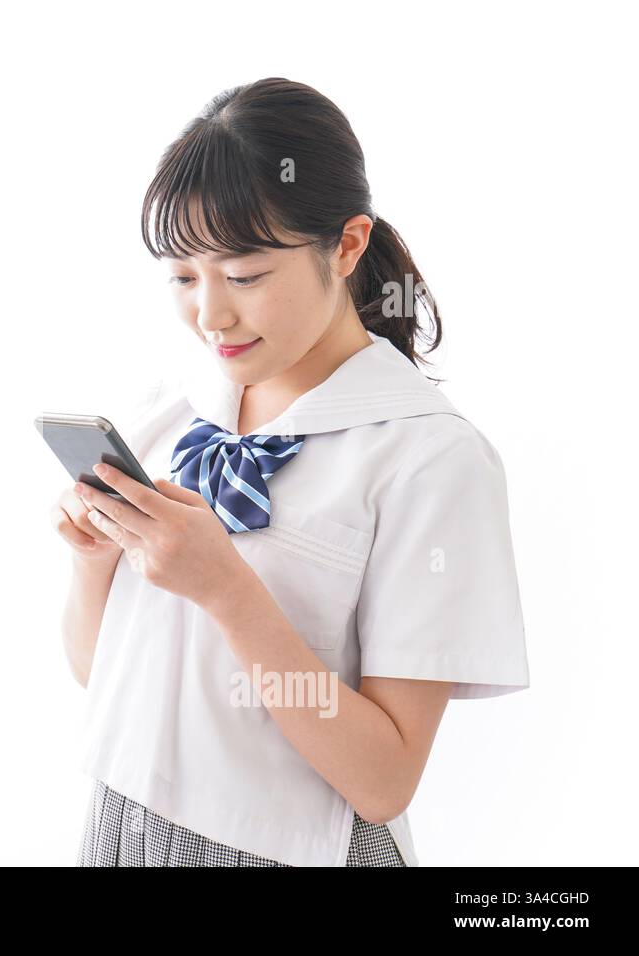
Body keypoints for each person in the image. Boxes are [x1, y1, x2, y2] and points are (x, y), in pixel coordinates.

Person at [52, 78, 530, 867]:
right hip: (123, 834)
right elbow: (100, 678)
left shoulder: (431, 461)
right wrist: (93, 561)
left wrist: (228, 591)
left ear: (346, 246)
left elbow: (385, 781)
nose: (211, 315)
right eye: (183, 277)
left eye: (244, 276)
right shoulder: (172, 413)